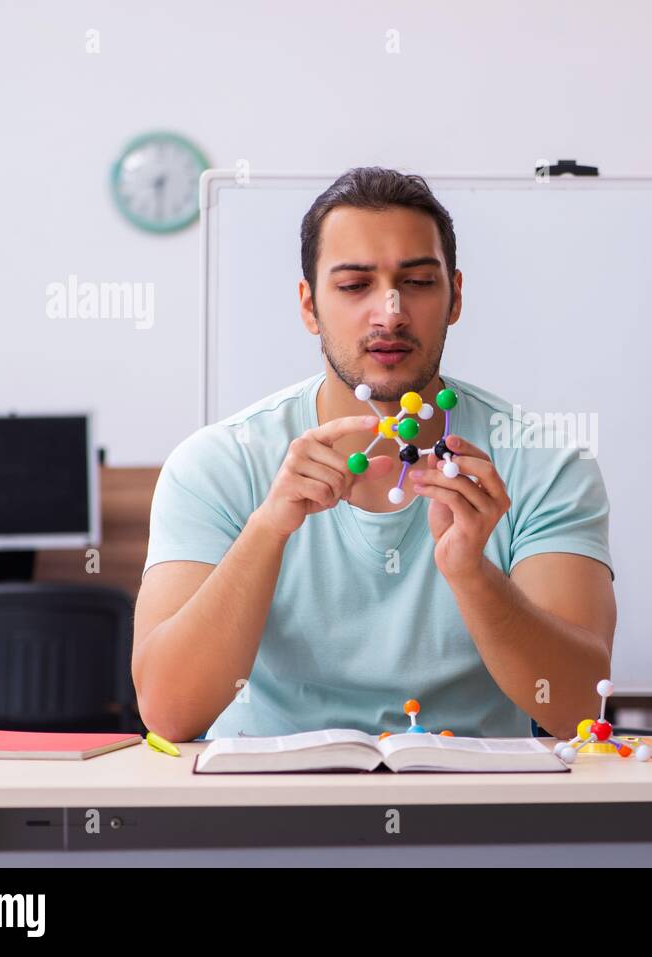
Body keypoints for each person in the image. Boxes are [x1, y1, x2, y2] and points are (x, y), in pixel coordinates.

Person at [132, 167, 615, 742]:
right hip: (264, 808)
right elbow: (168, 713)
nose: (390, 312)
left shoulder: (543, 463)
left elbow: (579, 712)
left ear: (455, 296)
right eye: (355, 285)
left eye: (416, 282)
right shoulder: (216, 465)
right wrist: (267, 530)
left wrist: (471, 574)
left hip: (474, 812)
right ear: (309, 306)